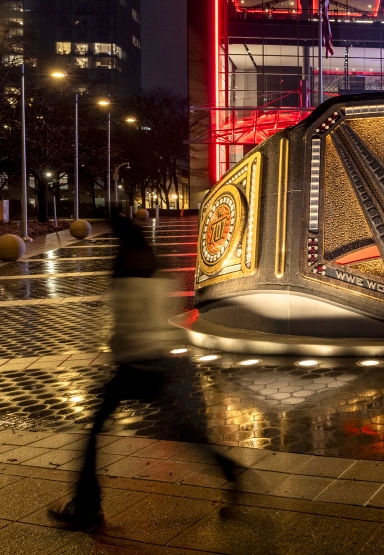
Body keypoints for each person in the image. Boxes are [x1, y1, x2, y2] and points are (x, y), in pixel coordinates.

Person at [49, 215, 242, 531]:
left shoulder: (124, 275)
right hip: (161, 365)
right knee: (187, 434)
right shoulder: (157, 273)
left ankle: (86, 507)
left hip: (134, 368)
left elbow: (125, 331)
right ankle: (231, 473)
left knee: (95, 434)